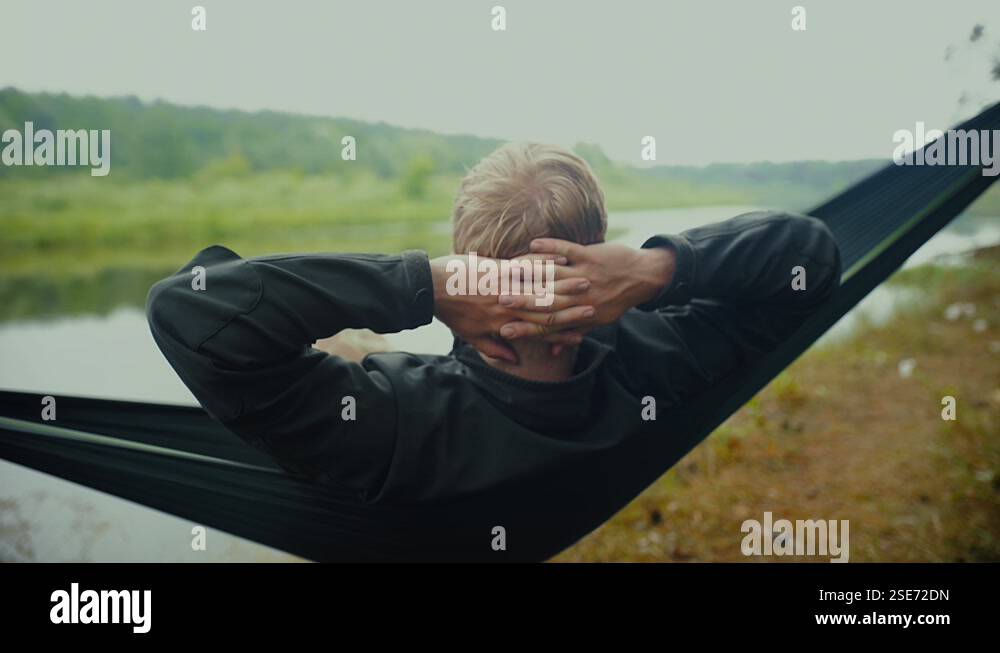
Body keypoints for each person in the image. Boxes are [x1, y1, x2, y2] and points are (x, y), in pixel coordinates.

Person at [146, 143, 841, 520]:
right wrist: (653, 270)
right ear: (597, 249)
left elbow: (188, 308)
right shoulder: (663, 361)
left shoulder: (389, 427)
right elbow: (811, 256)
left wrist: (425, 287)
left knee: (346, 349)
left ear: (459, 253)